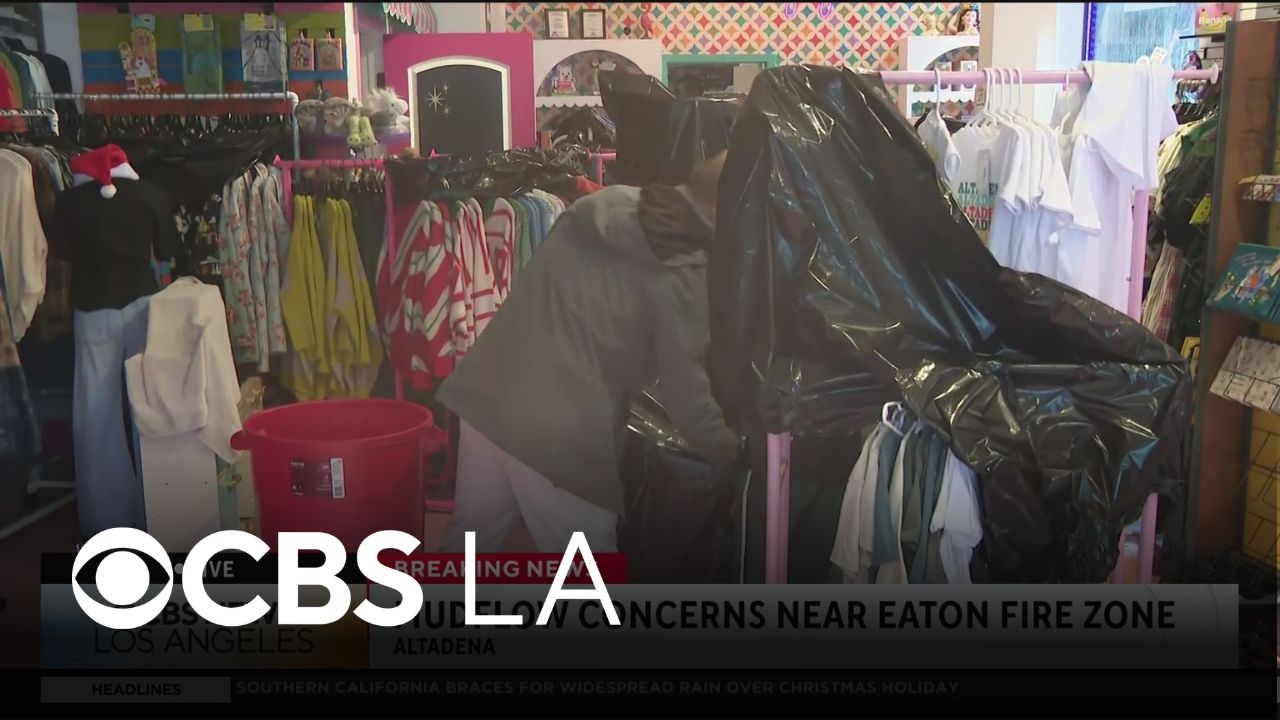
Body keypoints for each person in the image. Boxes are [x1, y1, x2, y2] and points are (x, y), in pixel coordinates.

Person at [436, 151, 739, 554]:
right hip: (558, 432)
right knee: (590, 578)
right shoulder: (683, 265)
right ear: (721, 208)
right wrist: (738, 459)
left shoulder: (607, 202)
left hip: (488, 394)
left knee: (465, 554)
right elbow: (689, 400)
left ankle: (398, 615)